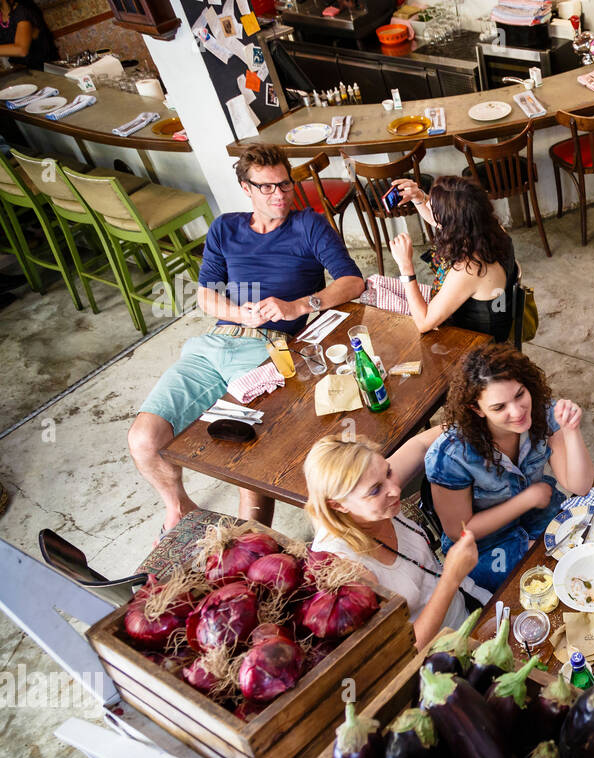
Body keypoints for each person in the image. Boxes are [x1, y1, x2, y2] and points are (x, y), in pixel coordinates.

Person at [127, 144, 364, 536]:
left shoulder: (309, 225)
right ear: (246, 188)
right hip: (214, 343)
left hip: (268, 349)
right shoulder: (225, 228)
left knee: (245, 452)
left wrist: (299, 306)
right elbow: (206, 294)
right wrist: (238, 313)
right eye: (267, 188)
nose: (280, 195)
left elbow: (352, 282)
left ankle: (248, 541)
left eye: (285, 185)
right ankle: (180, 508)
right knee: (143, 439)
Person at [425, 343, 593, 592]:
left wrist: (571, 432)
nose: (517, 411)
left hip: (537, 515)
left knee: (587, 563)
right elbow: (459, 532)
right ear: (476, 409)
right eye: (499, 407)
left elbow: (579, 485)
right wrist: (526, 500)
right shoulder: (450, 456)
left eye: (519, 394)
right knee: (544, 587)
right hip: (485, 546)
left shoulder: (542, 412)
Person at [305, 433, 488, 650]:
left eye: (389, 471)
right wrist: (451, 577)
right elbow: (407, 649)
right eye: (375, 490)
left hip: (470, 603)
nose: (395, 490)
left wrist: (473, 418)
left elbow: (420, 445)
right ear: (338, 506)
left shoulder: (374, 489)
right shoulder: (347, 568)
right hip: (444, 653)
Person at [387, 175, 516, 341]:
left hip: (477, 346)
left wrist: (406, 266)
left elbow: (424, 323)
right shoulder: (490, 229)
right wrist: (419, 198)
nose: (428, 204)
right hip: (495, 318)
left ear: (452, 225)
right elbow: (444, 222)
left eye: (432, 206)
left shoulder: (470, 268)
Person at [0, 0, 56, 71]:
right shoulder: (2, 16)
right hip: (21, 72)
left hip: (43, 72)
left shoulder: (23, 11)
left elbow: (21, 49)